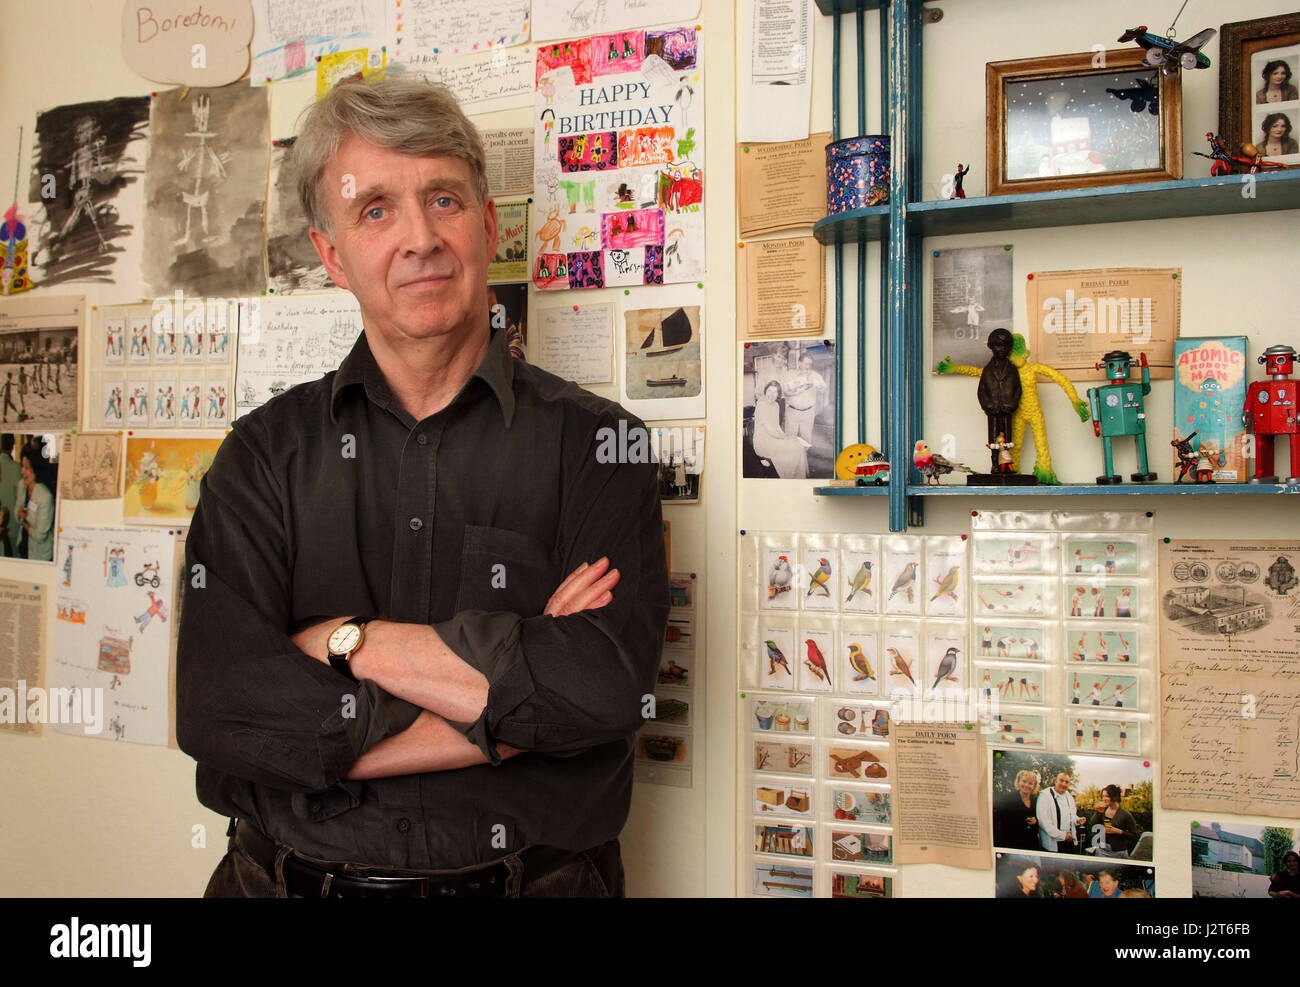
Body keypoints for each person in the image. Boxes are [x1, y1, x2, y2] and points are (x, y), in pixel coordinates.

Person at [176, 77, 670, 899]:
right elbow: (221, 708)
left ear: (485, 224)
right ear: (332, 254)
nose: (419, 238)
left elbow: (602, 689)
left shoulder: (598, 446)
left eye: (442, 198)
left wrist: (346, 642)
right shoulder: (261, 457)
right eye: (375, 209)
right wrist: (506, 708)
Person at [752, 380, 809, 479]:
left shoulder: (776, 405)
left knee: (798, 445)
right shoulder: (761, 405)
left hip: (774, 437)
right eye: (769, 391)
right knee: (795, 448)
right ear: (765, 391)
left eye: (775, 392)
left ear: (778, 394)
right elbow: (769, 429)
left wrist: (786, 436)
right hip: (763, 441)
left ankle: (797, 477)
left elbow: (776, 426)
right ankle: (791, 477)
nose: (771, 394)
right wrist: (785, 438)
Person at [16, 441, 55, 561]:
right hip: (23, 544)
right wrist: (20, 516)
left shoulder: (45, 496)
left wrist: (25, 522)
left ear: (36, 470)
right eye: (22, 466)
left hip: (40, 554)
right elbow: (16, 514)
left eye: (27, 468)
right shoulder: (22, 485)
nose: (22, 472)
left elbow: (40, 536)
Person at [780, 352, 827, 444]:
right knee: (790, 438)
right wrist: (802, 387)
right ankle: (790, 457)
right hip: (792, 412)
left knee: (806, 439)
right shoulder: (790, 375)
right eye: (806, 364)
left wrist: (817, 384)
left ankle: (803, 457)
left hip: (808, 413)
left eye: (810, 364)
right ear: (799, 363)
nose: (808, 366)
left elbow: (824, 389)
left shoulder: (815, 376)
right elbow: (786, 392)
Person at [1087, 784, 1143, 857]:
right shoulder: (1102, 810)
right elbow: (1093, 824)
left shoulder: (1125, 814)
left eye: (1107, 796)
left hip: (1118, 853)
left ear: (1115, 797)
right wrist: (1098, 812)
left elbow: (1135, 836)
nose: (1104, 799)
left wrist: (1119, 831)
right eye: (1103, 796)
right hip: (1102, 851)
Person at [1037, 772, 1084, 853]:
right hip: (1052, 845)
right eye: (1061, 780)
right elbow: (1043, 822)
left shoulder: (1069, 796)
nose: (1064, 784)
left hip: (1069, 841)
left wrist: (1077, 820)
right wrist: (1062, 835)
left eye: (1067, 782)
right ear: (1055, 781)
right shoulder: (1045, 796)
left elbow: (1072, 816)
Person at [995, 769, 1041, 851]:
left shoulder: (1037, 801)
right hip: (1012, 842)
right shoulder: (1008, 798)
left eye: (1030, 783)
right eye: (1024, 781)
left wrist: (1036, 821)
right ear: (1018, 782)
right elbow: (999, 821)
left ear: (1034, 786)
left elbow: (1042, 821)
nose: (1026, 785)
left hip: (1031, 843)